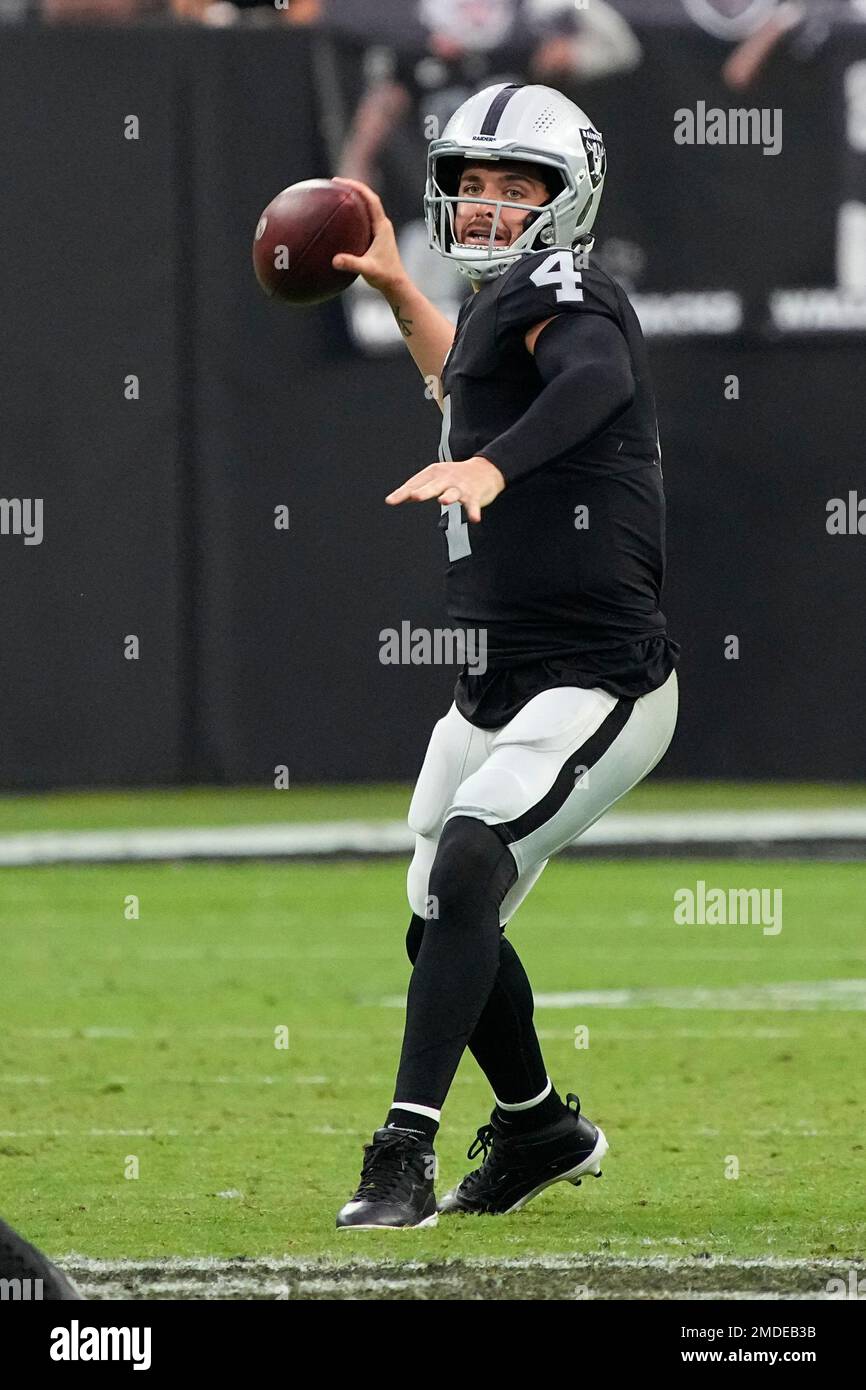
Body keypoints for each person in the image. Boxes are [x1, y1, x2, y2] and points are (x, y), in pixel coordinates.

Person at [330, 82, 679, 1228]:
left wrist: (493, 469)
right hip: (493, 683)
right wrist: (391, 286)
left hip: (600, 678)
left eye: (510, 185)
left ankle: (401, 1150)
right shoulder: (493, 310)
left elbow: (592, 377)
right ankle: (538, 1127)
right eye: (468, 185)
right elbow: (460, 389)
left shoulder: (569, 292)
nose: (482, 205)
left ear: (565, 198)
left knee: (472, 861)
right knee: (439, 912)